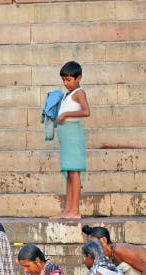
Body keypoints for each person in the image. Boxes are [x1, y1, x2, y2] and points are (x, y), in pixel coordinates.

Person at [53, 61, 90, 220]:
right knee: (69, 173)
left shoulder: (79, 92)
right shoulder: (66, 94)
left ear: (78, 78)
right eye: (64, 80)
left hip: (73, 136)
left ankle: (75, 210)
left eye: (69, 80)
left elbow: (86, 111)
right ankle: (68, 209)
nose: (66, 83)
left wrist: (66, 114)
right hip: (66, 137)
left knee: (74, 172)